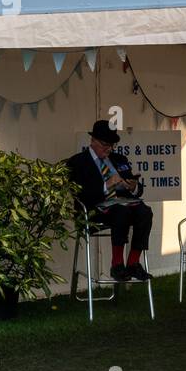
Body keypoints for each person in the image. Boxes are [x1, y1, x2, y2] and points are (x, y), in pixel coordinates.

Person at [66, 120, 153, 281]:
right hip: (95, 210)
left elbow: (137, 188)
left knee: (145, 212)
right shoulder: (77, 162)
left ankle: (133, 263)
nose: (109, 149)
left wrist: (132, 186)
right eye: (105, 144)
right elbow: (80, 193)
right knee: (121, 210)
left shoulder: (119, 159)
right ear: (92, 141)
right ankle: (117, 264)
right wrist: (106, 185)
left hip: (122, 204)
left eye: (112, 145)